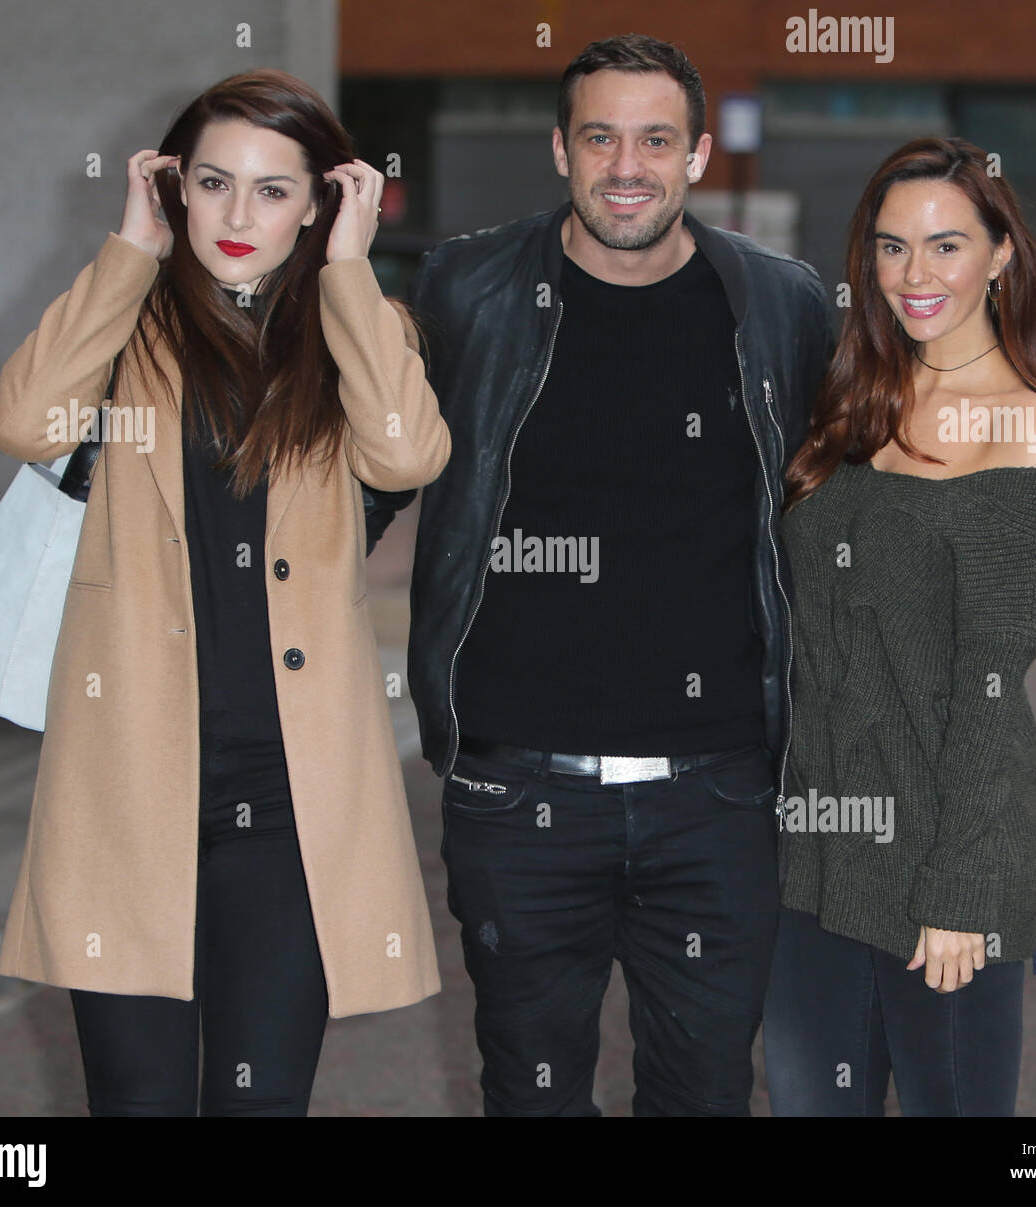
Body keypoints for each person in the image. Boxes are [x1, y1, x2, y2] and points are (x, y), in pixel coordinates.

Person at [0, 69, 450, 1116]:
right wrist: (128, 253)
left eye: (274, 190)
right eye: (213, 183)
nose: (238, 217)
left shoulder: (358, 334)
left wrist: (349, 272)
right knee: (136, 1099)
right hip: (127, 788)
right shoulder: (124, 325)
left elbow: (407, 451)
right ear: (174, 188)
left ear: (320, 203)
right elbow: (21, 421)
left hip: (288, 800)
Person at [404, 34, 833, 1116]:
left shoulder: (780, 303)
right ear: (561, 150)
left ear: (697, 157)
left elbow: (847, 508)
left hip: (720, 793)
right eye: (600, 138)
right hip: (516, 794)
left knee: (704, 1095)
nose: (627, 166)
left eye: (655, 140)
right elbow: (361, 479)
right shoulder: (467, 288)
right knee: (531, 1094)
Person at [763, 136, 1036, 1116]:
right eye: (892, 246)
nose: (916, 273)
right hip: (816, 848)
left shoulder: (1023, 424)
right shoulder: (853, 399)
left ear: (1000, 255)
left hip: (944, 854)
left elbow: (989, 681)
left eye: (946, 244)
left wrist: (957, 891)